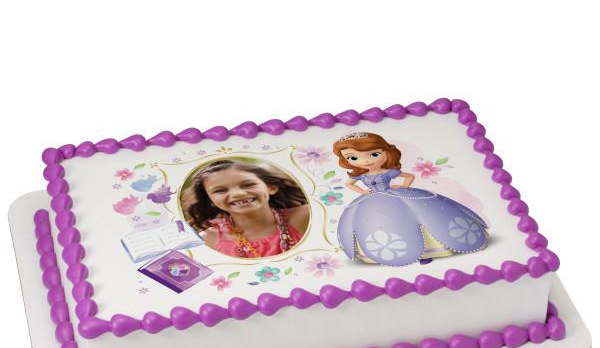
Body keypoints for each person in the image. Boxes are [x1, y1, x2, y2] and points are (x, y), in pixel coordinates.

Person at [332, 132, 488, 266]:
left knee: (420, 214)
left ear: (386, 152)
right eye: (353, 157)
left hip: (395, 194)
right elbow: (349, 184)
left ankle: (430, 251)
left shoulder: (388, 172)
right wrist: (362, 191)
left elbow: (409, 176)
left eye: (374, 154)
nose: (366, 161)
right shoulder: (360, 175)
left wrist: (403, 186)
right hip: (371, 200)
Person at [184, 159, 309, 258]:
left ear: (271, 187)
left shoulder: (306, 216)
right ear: (210, 200)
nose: (238, 193)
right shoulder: (208, 239)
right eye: (220, 190)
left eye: (248, 184)